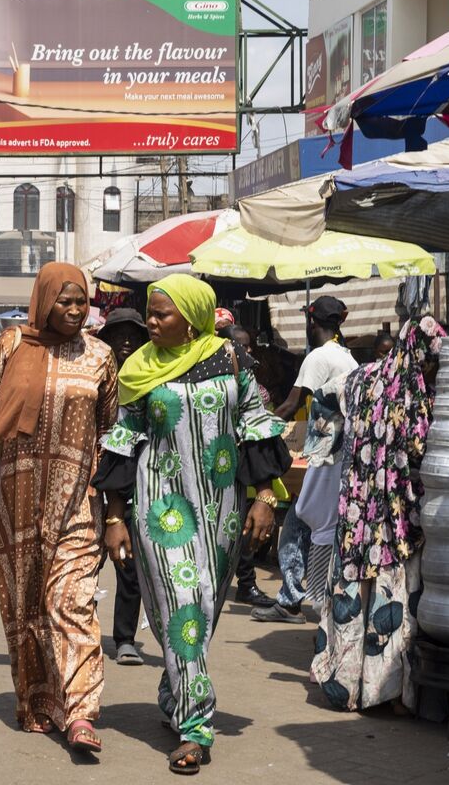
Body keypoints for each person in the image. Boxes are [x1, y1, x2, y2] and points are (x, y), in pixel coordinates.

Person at [96, 275, 289, 774]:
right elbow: (123, 439)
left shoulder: (231, 361)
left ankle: (173, 693)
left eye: (162, 314)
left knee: (201, 608)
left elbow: (255, 426)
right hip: (161, 505)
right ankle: (195, 727)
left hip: (221, 509)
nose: (151, 322)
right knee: (184, 608)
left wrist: (265, 495)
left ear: (193, 316)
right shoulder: (139, 369)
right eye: (150, 313)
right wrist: (115, 515)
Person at [0, 262, 117, 753]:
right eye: (63, 301)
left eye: (80, 301)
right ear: (44, 300)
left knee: (71, 602)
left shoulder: (101, 355)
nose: (73, 310)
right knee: (25, 604)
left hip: (77, 499)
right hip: (16, 494)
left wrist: (113, 509)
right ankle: (38, 701)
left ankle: (82, 713)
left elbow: (110, 432)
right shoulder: (10, 345)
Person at [310, 317, 444, 711]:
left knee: (358, 591)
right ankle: (387, 693)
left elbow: (322, 399)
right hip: (399, 520)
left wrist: (329, 452)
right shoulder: (423, 397)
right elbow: (423, 453)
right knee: (394, 596)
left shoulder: (358, 379)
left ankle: (350, 686)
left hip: (355, 511)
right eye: (432, 361)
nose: (433, 369)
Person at [252, 296, 357, 625]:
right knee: (307, 523)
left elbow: (290, 404)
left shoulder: (320, 357)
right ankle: (299, 599)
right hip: (340, 453)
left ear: (313, 324)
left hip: (327, 457)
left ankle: (304, 602)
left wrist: (258, 427)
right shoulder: (347, 356)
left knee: (302, 522)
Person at [94, 308, 151, 666]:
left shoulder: (148, 376)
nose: (126, 341)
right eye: (118, 335)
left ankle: (125, 637)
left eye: (133, 335)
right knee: (84, 562)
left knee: (128, 563)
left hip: (127, 479)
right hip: (86, 479)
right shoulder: (92, 373)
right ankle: (79, 628)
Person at [219, 324, 275, 610]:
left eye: (249, 345)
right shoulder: (219, 377)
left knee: (244, 524)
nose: (247, 350)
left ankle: (246, 581)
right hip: (221, 465)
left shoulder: (249, 376)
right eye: (240, 345)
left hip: (246, 461)